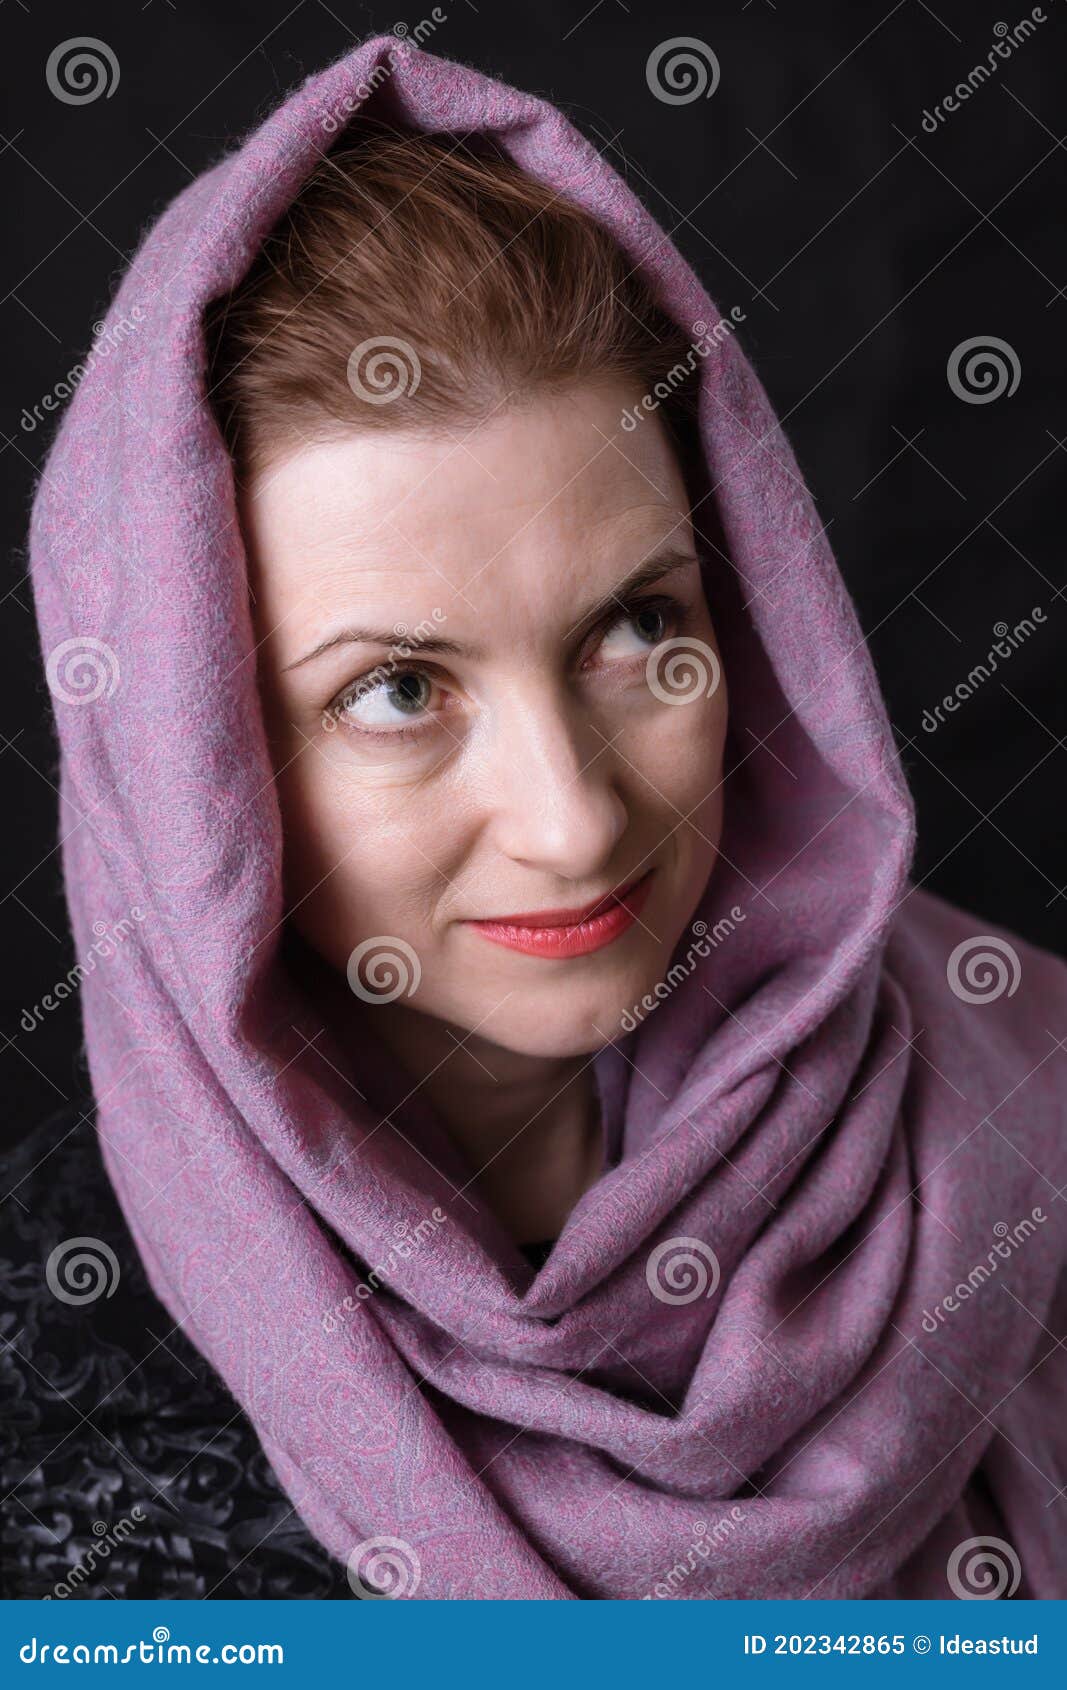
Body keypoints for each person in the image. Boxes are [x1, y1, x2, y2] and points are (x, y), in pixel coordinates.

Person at [16, 32, 1067, 1600]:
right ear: (192, 766)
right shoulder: (47, 1386)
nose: (574, 823)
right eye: (396, 691)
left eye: (639, 631)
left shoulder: (1025, 1107)